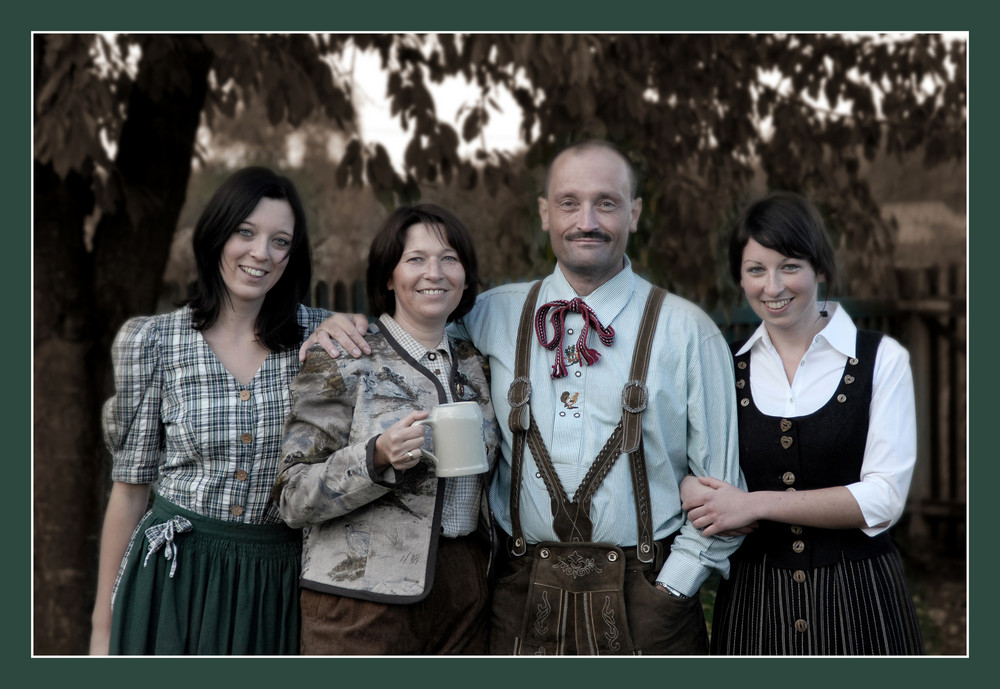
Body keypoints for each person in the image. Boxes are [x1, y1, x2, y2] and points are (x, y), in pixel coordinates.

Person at [307, 140, 744, 655]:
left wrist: (674, 588)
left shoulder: (689, 332)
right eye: (568, 203)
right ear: (544, 213)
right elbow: (412, 327)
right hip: (519, 593)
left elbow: (723, 494)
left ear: (635, 213)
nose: (586, 221)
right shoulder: (490, 315)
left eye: (606, 203)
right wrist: (340, 326)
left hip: (647, 596)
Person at [90, 167, 331, 655]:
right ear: (217, 234)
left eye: (280, 241)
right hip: (173, 577)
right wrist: (102, 627)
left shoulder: (323, 338)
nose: (261, 253)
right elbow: (130, 491)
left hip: (276, 583)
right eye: (246, 231)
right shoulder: (155, 341)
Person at [681, 191, 925, 655]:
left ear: (820, 269)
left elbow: (884, 498)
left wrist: (754, 504)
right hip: (754, 605)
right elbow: (681, 462)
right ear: (740, 278)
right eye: (756, 270)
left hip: (860, 601)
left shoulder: (881, 359)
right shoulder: (723, 368)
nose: (772, 287)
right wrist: (687, 486)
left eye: (790, 266)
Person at [273, 204, 499, 655]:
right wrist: (374, 457)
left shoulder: (479, 364)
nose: (434, 272)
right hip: (359, 603)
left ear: (465, 276)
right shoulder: (343, 358)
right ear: (389, 276)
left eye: (449, 258)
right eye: (415, 259)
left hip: (465, 594)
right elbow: (292, 498)